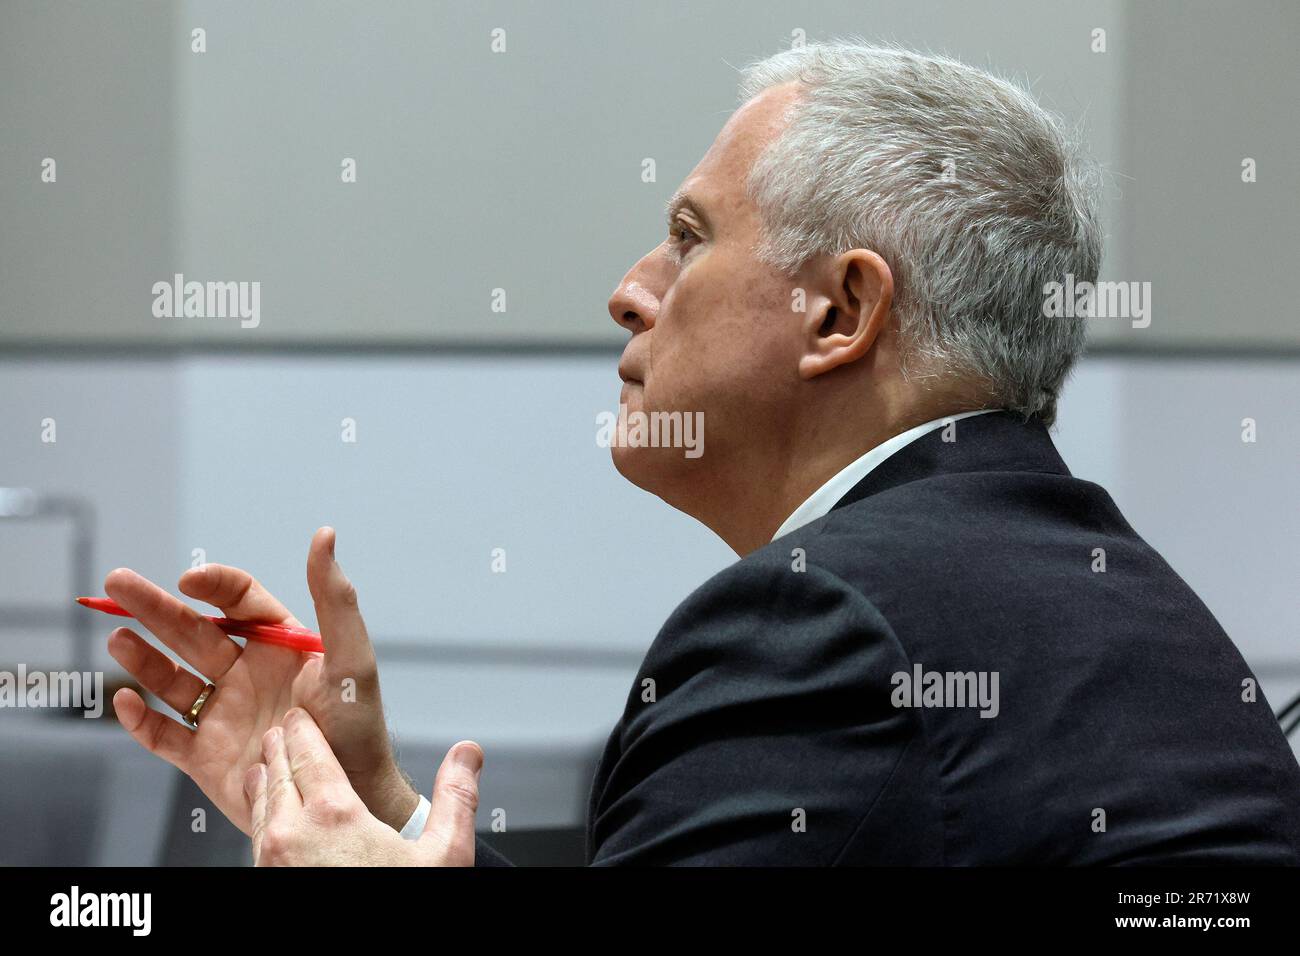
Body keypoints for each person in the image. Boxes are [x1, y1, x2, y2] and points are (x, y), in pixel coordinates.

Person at [102, 42, 1300, 866]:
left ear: (839, 312)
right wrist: (384, 815)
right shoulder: (1106, 587)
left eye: (687, 238)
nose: (628, 292)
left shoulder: (815, 629)